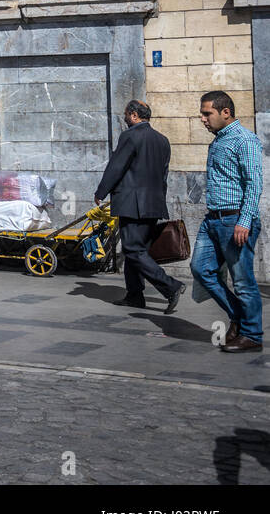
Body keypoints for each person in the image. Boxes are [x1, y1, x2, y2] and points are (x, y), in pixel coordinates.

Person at [93, 99, 184, 312]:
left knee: (133, 250)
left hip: (132, 204)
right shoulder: (163, 140)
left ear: (134, 115)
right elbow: (163, 176)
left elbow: (117, 167)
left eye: (126, 115)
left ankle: (171, 286)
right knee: (136, 249)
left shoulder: (130, 136)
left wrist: (101, 191)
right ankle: (134, 295)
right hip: (153, 204)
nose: (125, 119)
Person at [192, 91, 262, 353]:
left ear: (225, 112)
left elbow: (254, 183)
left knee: (243, 281)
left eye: (207, 113)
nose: (202, 119)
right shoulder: (219, 140)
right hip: (213, 220)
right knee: (201, 270)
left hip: (235, 221)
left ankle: (252, 335)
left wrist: (244, 221)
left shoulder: (245, 140)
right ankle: (239, 317)